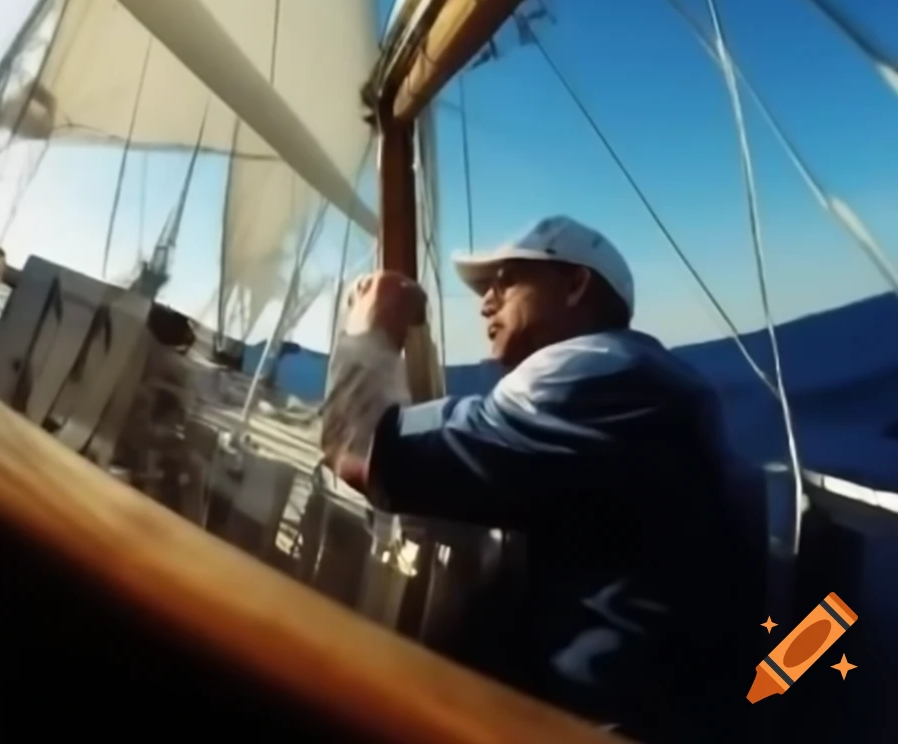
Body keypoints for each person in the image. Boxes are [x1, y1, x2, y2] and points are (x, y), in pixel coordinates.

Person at [324, 216, 762, 742]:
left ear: (576, 285)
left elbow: (359, 447)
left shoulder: (594, 379)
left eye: (505, 280)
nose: (486, 301)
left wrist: (369, 328)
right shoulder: (643, 373)